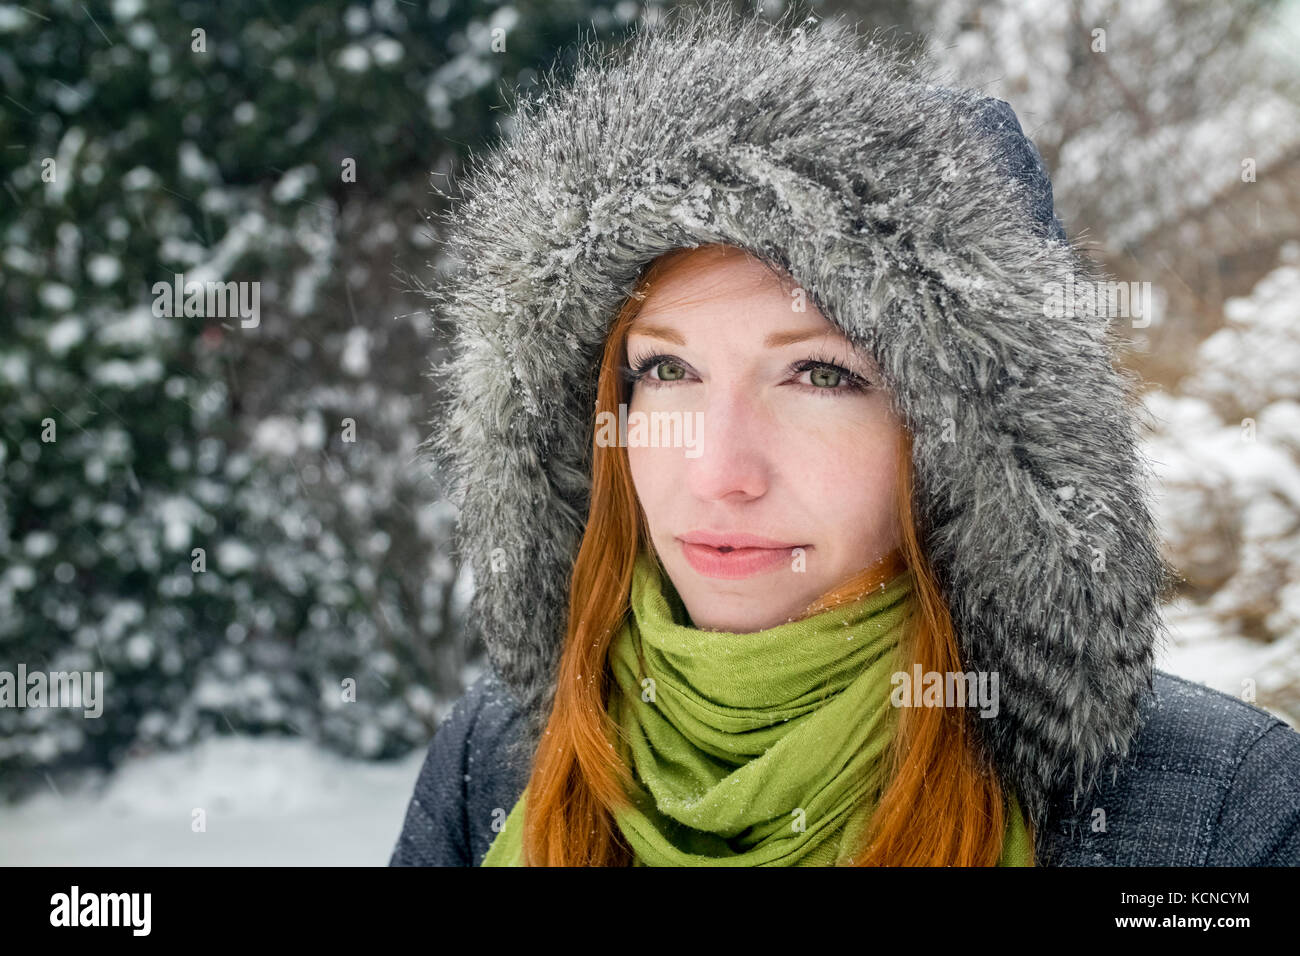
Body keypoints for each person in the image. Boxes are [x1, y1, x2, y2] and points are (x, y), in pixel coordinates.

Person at [390, 3, 1300, 866]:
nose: (719, 474)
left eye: (822, 376)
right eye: (666, 370)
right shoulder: (497, 758)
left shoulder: (1218, 812)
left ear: (967, 444)